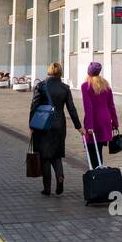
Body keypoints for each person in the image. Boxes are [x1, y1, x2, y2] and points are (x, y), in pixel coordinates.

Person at [29, 62, 81, 196]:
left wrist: (31, 125)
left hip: (42, 125)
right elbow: (72, 109)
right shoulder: (65, 88)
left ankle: (47, 189)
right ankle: (60, 176)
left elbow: (34, 106)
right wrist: (78, 127)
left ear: (49, 72)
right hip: (59, 125)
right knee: (56, 154)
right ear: (60, 73)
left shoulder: (41, 86)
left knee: (45, 157)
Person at [80, 61, 120, 167]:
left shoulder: (86, 86)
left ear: (89, 72)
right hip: (105, 121)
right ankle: (100, 172)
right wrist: (115, 122)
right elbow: (111, 106)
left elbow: (88, 107)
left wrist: (89, 126)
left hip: (94, 121)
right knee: (99, 150)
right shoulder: (106, 85)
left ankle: (96, 176)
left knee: (92, 149)